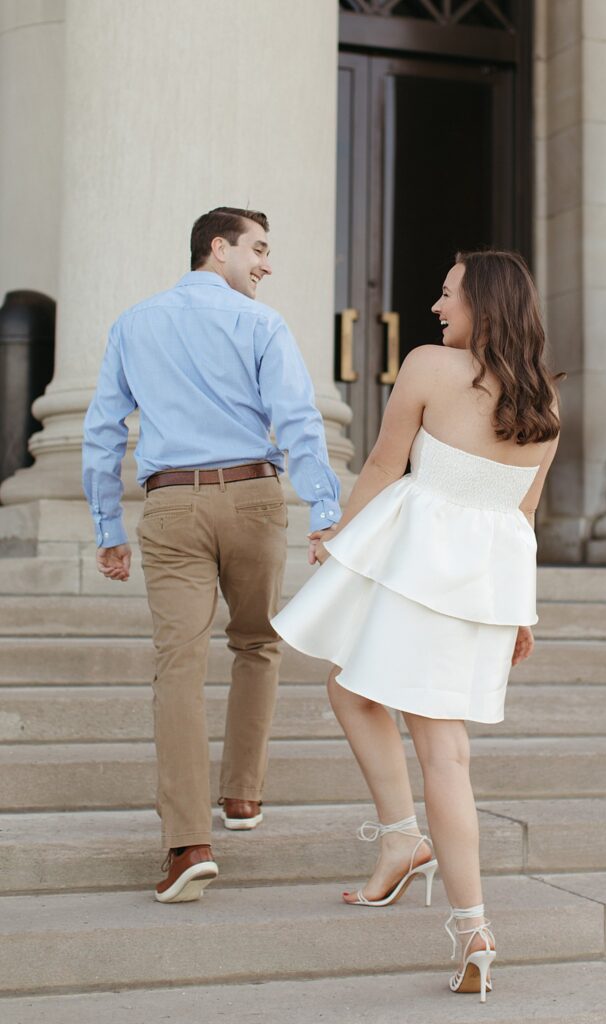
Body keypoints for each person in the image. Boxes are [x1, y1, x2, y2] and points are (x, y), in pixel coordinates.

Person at [273, 250, 560, 1001]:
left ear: (483, 306)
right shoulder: (546, 407)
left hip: (422, 569)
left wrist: (334, 535)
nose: (436, 305)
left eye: (448, 292)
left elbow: (379, 465)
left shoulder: (430, 366)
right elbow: (520, 519)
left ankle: (470, 922)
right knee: (366, 699)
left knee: (439, 750)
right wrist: (519, 611)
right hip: (484, 583)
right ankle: (406, 846)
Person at [82, 206, 341, 903]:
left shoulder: (134, 323)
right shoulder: (261, 324)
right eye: (257, 248)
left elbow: (103, 429)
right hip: (254, 499)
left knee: (178, 665)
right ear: (217, 248)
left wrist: (108, 526)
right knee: (257, 643)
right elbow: (296, 418)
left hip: (171, 505)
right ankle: (242, 797)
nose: (265, 263)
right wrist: (323, 510)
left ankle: (187, 843)